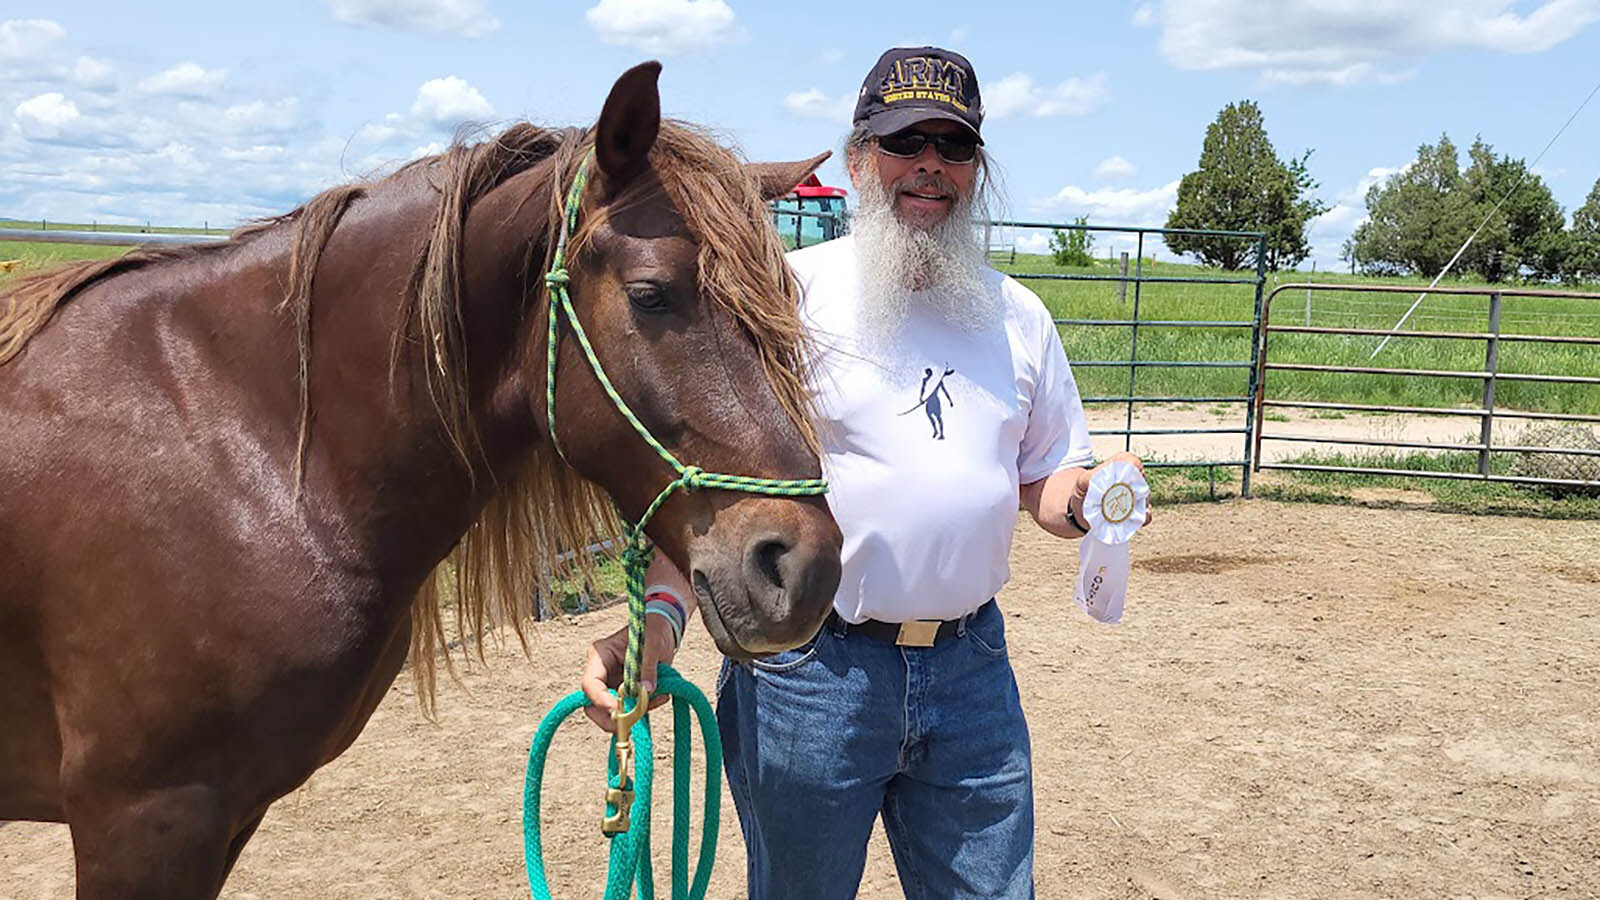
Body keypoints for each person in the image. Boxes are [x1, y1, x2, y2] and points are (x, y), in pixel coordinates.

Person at [582, 45, 1150, 899]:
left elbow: (1044, 476)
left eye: (952, 147)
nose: (929, 165)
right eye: (903, 142)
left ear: (975, 169)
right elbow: (713, 499)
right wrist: (658, 627)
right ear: (857, 160)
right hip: (813, 677)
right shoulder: (781, 304)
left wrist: (1092, 500)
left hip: (970, 673)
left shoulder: (1017, 317)